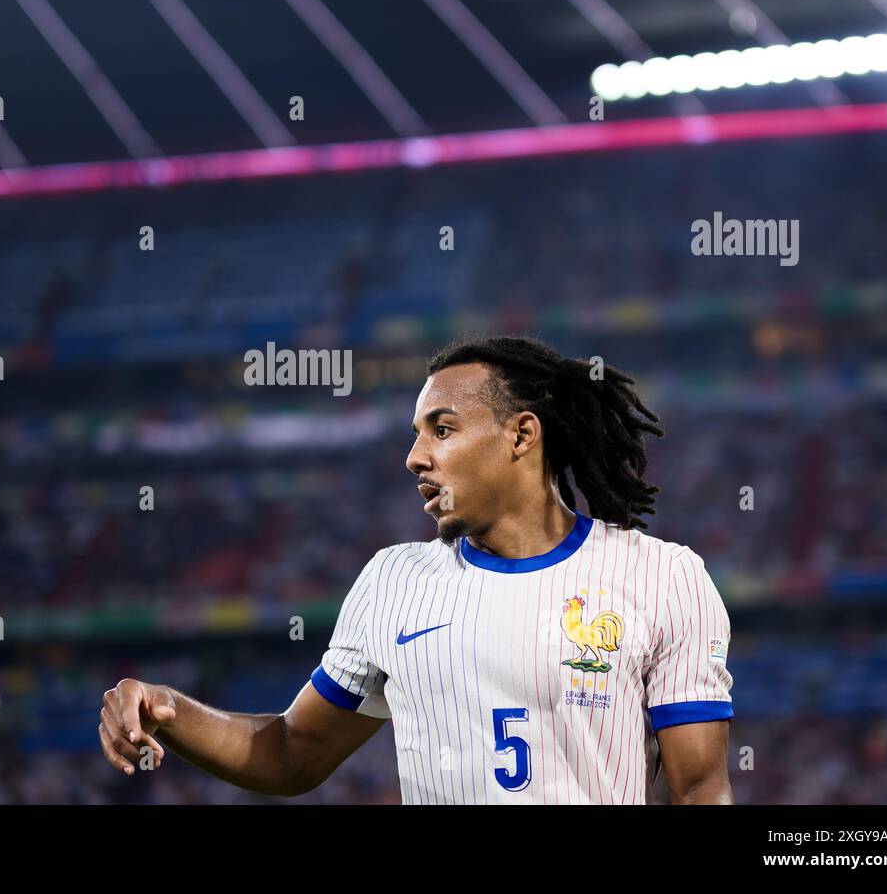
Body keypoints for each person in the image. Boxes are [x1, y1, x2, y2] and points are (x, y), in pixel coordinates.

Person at [99, 335, 734, 803]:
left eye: (442, 429)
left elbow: (700, 788)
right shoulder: (392, 582)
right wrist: (170, 710)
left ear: (522, 435)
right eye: (415, 433)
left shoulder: (662, 578)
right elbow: (292, 752)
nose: (414, 457)